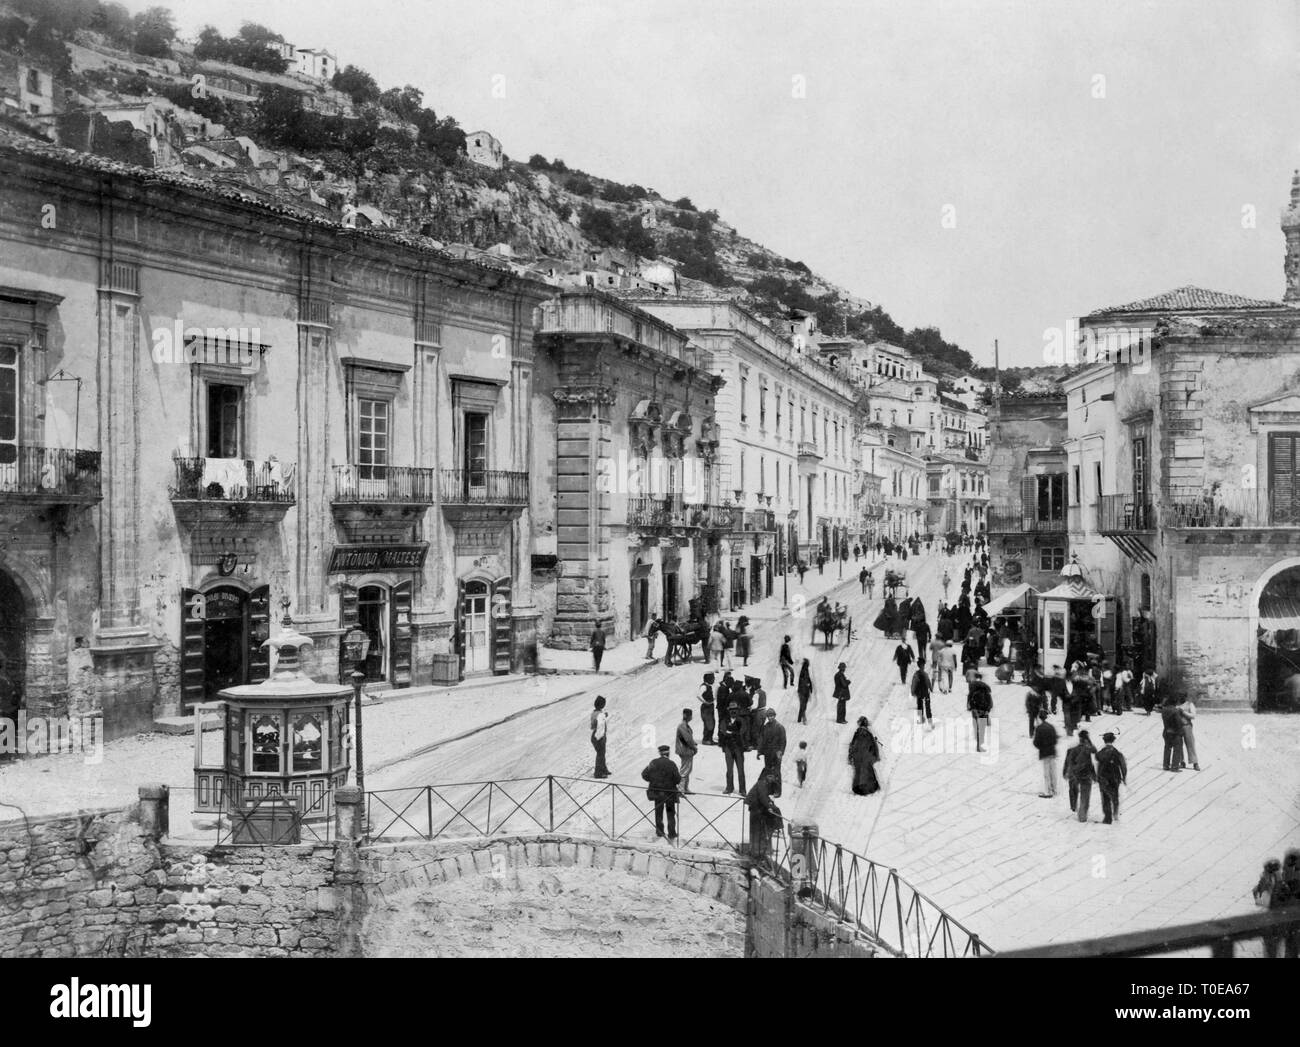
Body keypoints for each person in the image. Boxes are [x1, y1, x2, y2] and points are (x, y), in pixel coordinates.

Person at [642, 744, 682, 840]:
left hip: (657, 793)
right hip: (669, 793)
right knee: (670, 813)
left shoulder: (653, 763)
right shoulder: (671, 764)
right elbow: (677, 779)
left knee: (658, 812)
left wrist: (653, 780)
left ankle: (660, 831)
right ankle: (672, 833)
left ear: (660, 753)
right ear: (668, 753)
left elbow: (644, 775)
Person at [746, 769, 782, 861]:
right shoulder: (761, 783)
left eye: (774, 777)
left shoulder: (768, 783)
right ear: (767, 776)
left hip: (759, 807)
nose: (772, 778)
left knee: (775, 811)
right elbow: (762, 797)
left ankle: (766, 845)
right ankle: (758, 852)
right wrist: (769, 806)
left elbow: (770, 795)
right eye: (771, 776)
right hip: (755, 807)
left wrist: (770, 804)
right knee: (757, 830)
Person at [1062, 729, 1097, 822]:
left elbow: (1068, 760)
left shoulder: (1073, 746)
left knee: (1073, 789)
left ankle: (1073, 806)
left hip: (1074, 773)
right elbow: (1094, 752)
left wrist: (1065, 771)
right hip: (1085, 774)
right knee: (1085, 794)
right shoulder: (1087, 748)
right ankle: (1082, 815)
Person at [1095, 731, 1128, 824]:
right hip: (1115, 777)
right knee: (1115, 795)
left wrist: (1097, 776)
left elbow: (1097, 765)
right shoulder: (1117, 753)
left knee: (1105, 797)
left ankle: (1107, 817)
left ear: (1104, 741)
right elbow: (1123, 765)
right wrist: (1124, 777)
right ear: (1113, 741)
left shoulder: (1100, 753)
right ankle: (1116, 813)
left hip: (1103, 778)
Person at [848, 716, 882, 795]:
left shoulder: (858, 733)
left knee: (859, 773)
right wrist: (875, 755)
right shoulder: (866, 733)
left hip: (858, 757)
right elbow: (872, 745)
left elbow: (852, 746)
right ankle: (867, 789)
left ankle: (859, 789)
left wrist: (850, 756)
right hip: (865, 757)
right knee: (867, 773)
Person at [758, 708, 787, 797]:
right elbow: (762, 740)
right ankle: (770, 790)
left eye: (771, 716)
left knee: (776, 772)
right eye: (768, 716)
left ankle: (777, 791)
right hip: (768, 752)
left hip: (776, 753)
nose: (770, 718)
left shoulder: (779, 727)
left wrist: (780, 752)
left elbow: (783, 741)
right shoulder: (765, 727)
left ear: (774, 716)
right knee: (768, 771)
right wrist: (759, 751)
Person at [1032, 709, 1059, 798]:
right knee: (1053, 771)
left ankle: (1048, 791)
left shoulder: (1039, 728)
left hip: (1044, 752)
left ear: (1040, 718)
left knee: (1047, 773)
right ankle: (1054, 789)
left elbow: (1036, 742)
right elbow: (1055, 739)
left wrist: (1041, 747)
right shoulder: (1051, 727)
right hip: (1052, 751)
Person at [720, 710, 747, 795]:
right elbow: (723, 731)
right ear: (729, 711)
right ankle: (729, 787)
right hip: (728, 747)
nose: (733, 712)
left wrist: (730, 732)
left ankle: (742, 790)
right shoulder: (725, 720)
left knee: (740, 769)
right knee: (729, 769)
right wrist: (732, 732)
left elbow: (742, 731)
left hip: (738, 748)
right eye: (731, 710)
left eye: (735, 710)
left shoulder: (742, 720)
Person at [967, 672, 993, 752]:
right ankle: (979, 744)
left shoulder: (972, 689)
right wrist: (987, 710)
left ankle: (977, 739)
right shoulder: (986, 689)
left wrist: (971, 708)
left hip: (975, 710)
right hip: (983, 710)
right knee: (982, 728)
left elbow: (969, 700)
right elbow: (990, 703)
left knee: (976, 726)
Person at [675, 708, 698, 794]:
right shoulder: (682, 726)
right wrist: (694, 747)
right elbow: (687, 739)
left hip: (687, 750)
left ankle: (685, 788)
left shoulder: (685, 725)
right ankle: (681, 790)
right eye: (690, 715)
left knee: (688, 769)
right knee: (685, 770)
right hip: (685, 750)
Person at [1160, 695, 1186, 772]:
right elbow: (1178, 723)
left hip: (1166, 731)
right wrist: (1181, 732)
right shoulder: (1176, 711)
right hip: (1175, 733)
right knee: (1177, 749)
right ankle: (1174, 767)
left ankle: (1166, 765)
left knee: (1167, 748)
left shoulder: (1164, 710)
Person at [590, 695, 610, 778]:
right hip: (599, 735)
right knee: (600, 754)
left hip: (597, 734)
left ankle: (604, 769)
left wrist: (604, 715)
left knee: (602, 753)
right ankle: (598, 773)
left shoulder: (595, 713)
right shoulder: (599, 714)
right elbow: (598, 724)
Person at [1178, 696, 1201, 770]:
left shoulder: (1190, 704)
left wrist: (1183, 712)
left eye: (1182, 696)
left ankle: (1195, 763)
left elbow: (1193, 716)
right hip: (1178, 727)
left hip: (1187, 726)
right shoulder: (1176, 704)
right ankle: (1181, 761)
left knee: (1190, 744)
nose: (1181, 698)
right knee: (1178, 745)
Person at [912, 662, 934, 729]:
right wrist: (930, 688)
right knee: (927, 707)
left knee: (919, 706)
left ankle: (919, 720)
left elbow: (914, 683)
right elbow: (928, 682)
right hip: (925, 692)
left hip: (919, 693)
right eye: (923, 665)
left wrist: (913, 691)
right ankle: (930, 722)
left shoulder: (916, 674)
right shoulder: (925, 674)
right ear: (923, 666)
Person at [796, 658, 813, 724]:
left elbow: (808, 679)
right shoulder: (804, 670)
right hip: (803, 691)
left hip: (804, 690)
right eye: (808, 663)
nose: (808, 665)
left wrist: (810, 686)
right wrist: (807, 684)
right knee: (803, 705)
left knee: (803, 705)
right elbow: (803, 680)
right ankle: (804, 720)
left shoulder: (805, 670)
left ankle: (799, 719)